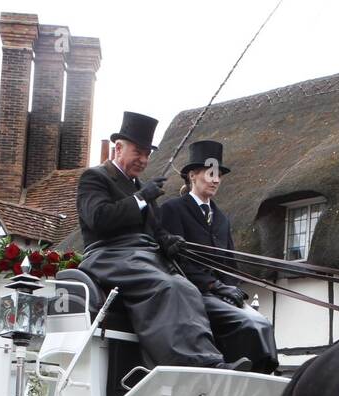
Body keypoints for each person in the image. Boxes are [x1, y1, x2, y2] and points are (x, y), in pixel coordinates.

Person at [76, 111, 251, 371]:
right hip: (109, 256)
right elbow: (99, 219)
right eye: (139, 152)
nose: (144, 160)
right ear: (119, 148)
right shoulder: (95, 178)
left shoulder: (142, 188)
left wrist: (169, 241)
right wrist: (140, 198)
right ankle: (183, 364)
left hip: (142, 257)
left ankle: (208, 359)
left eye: (147, 154)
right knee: (169, 287)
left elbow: (155, 230)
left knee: (187, 287)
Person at [158, 141, 278, 373]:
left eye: (219, 175)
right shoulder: (173, 209)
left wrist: (233, 290)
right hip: (193, 294)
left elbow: (230, 264)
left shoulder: (222, 219)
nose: (215, 180)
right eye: (210, 174)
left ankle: (263, 373)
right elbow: (176, 262)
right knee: (249, 324)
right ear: (193, 175)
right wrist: (215, 285)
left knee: (264, 324)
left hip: (221, 294)